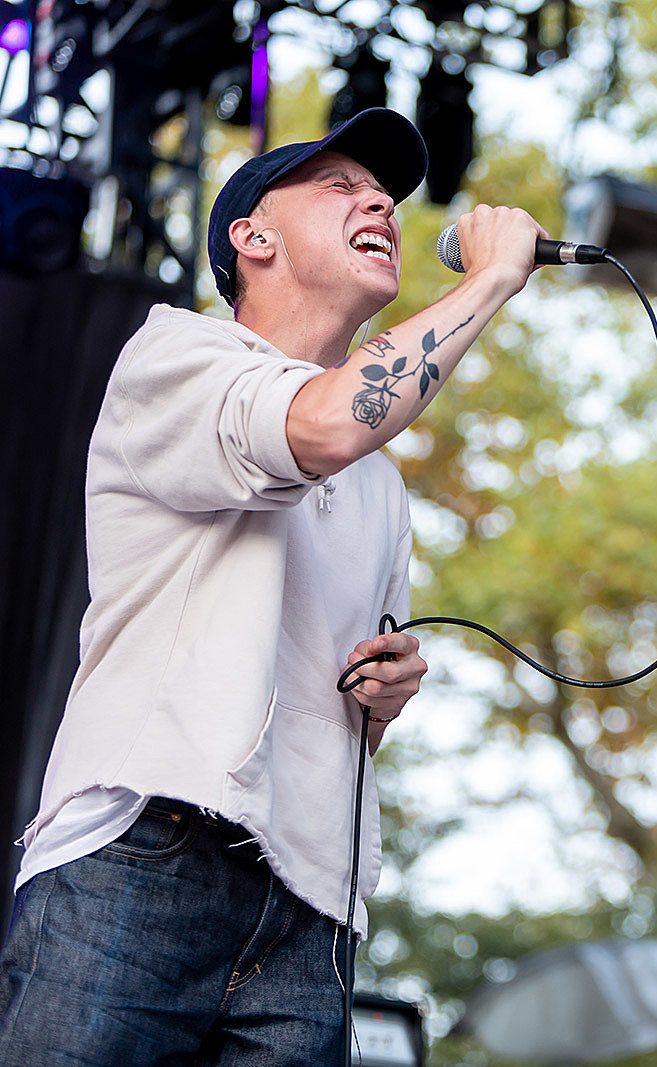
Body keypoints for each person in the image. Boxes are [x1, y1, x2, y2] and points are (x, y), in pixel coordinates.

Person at [0, 108, 548, 1065]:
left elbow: (337, 699)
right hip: (145, 851)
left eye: (382, 192)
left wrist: (386, 690)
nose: (379, 199)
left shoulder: (381, 482)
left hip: (308, 905)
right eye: (339, 186)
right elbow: (319, 426)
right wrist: (494, 277)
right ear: (252, 236)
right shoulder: (178, 355)